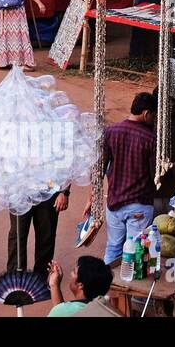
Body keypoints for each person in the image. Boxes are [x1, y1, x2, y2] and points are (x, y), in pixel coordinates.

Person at [92, 91, 158, 264]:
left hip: (114, 203)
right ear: (146, 113)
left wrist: (92, 197)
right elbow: (155, 175)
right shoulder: (150, 139)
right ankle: (129, 288)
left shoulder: (111, 131)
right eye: (153, 116)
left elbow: (99, 167)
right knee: (135, 254)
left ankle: (106, 287)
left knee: (113, 248)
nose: (154, 120)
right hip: (139, 204)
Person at [6, 185, 70, 280]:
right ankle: (16, 280)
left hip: (49, 190)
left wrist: (64, 192)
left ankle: (40, 280)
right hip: (21, 190)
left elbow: (67, 169)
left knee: (46, 236)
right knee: (17, 236)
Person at [47, 255, 114, 316]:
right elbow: (61, 311)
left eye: (74, 272)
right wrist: (54, 285)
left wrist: (54, 285)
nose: (71, 274)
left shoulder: (61, 311)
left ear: (81, 285)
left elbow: (60, 312)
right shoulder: (106, 308)